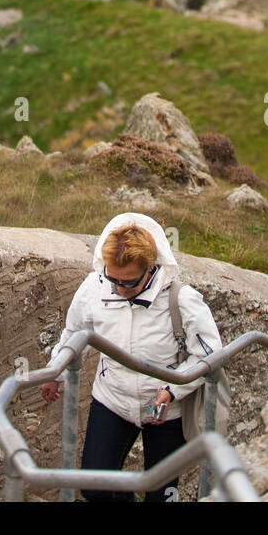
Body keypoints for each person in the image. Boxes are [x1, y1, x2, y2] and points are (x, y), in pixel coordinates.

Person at [41, 212, 221, 502]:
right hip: (113, 399)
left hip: (165, 410)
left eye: (129, 282)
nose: (121, 289)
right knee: (93, 488)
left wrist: (172, 391)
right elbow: (74, 333)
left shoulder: (181, 298)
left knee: (162, 497)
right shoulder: (93, 287)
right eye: (114, 280)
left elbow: (210, 353)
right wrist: (55, 372)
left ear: (151, 268)